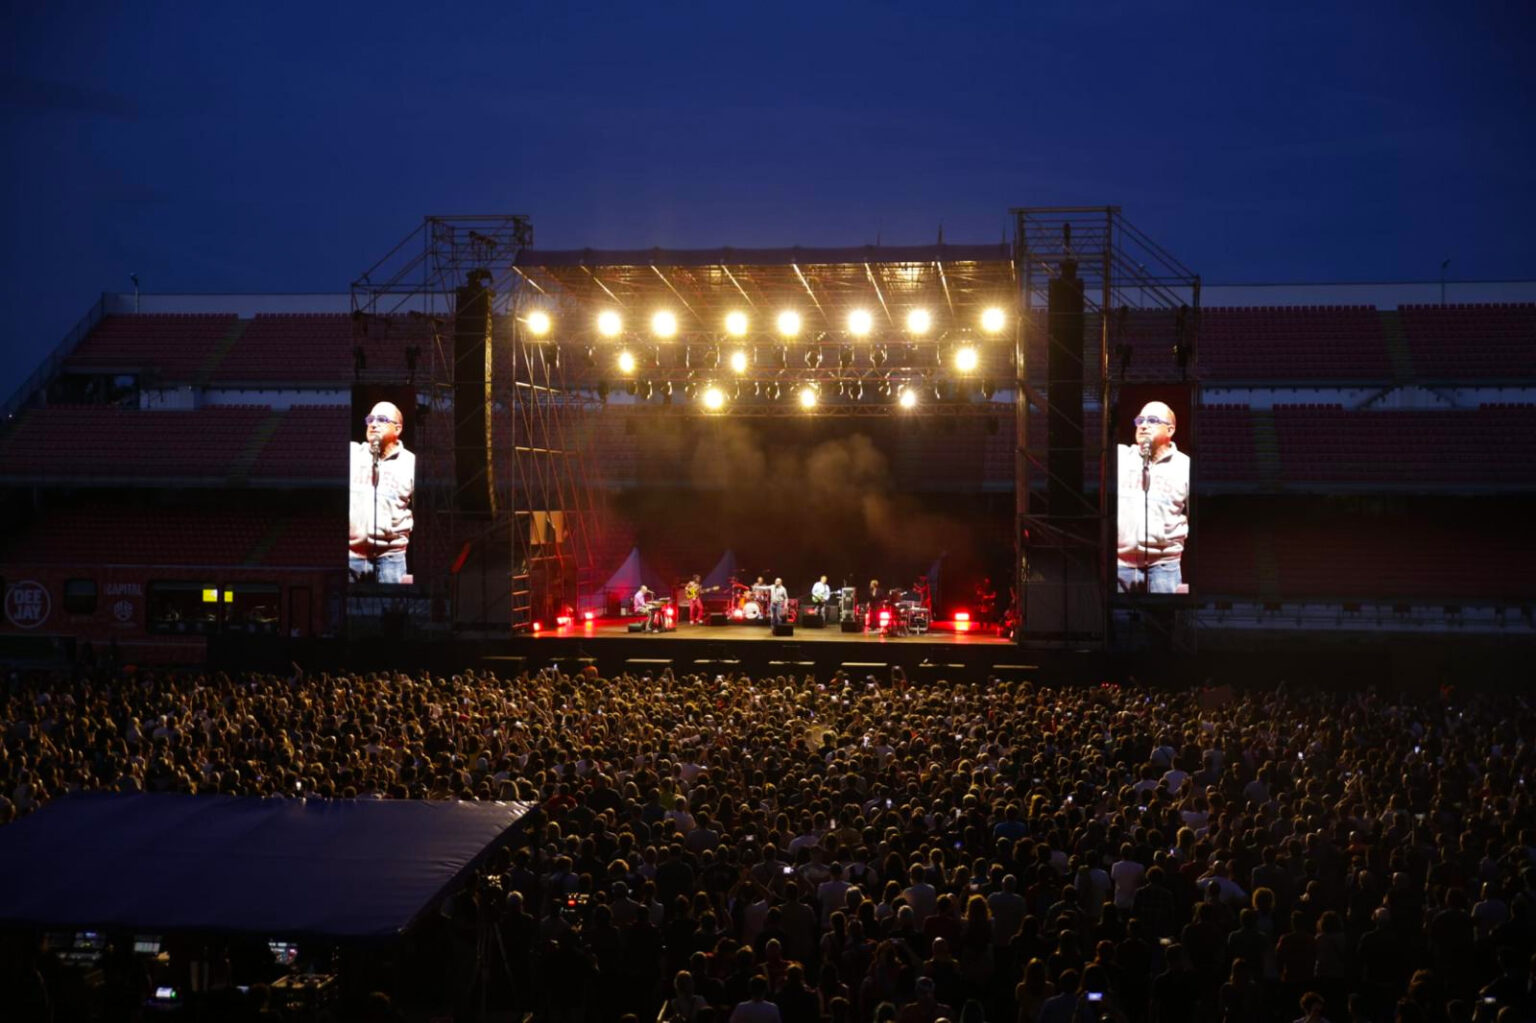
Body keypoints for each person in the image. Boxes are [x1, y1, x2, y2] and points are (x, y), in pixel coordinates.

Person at [1117, 400, 1190, 594]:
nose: (1143, 424)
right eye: (1140, 419)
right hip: (1120, 566)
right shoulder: (1120, 457)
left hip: (1165, 568)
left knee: (1161, 622)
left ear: (1170, 429)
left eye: (1152, 420)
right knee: (1120, 623)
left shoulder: (1186, 466)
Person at [349, 401, 415, 584]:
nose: (373, 423)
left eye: (382, 419)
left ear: (398, 428)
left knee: (391, 610)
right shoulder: (353, 454)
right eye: (370, 419)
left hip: (391, 559)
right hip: (351, 556)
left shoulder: (411, 463)